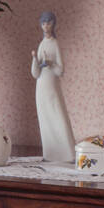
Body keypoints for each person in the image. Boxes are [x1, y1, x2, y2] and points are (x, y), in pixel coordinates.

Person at [31, 10, 75, 163]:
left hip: (51, 85)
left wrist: (51, 64)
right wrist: (35, 59)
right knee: (45, 117)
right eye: (43, 23)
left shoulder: (54, 44)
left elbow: (61, 70)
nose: (46, 26)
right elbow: (35, 73)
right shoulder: (42, 43)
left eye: (48, 23)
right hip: (41, 85)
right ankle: (50, 153)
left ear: (53, 24)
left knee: (56, 113)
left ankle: (67, 154)